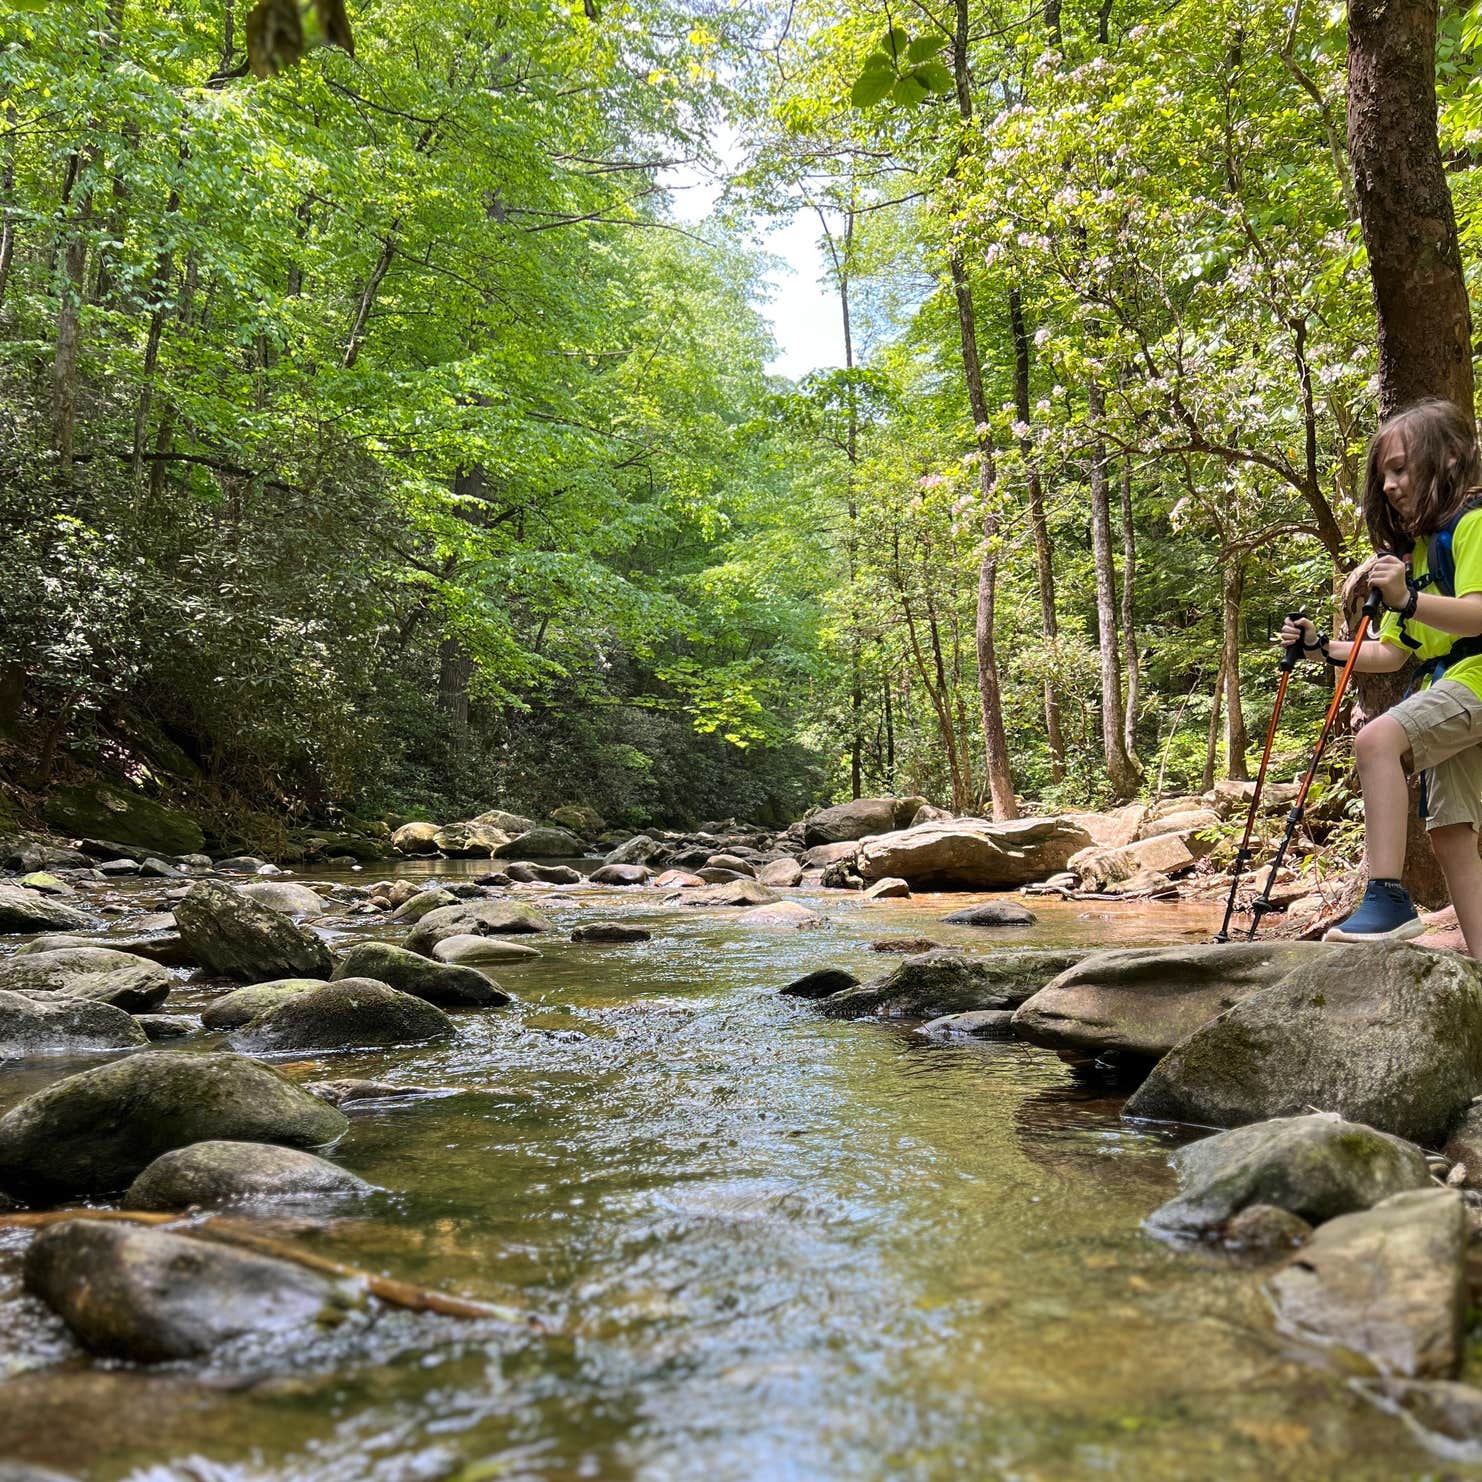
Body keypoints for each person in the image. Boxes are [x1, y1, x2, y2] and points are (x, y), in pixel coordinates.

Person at [1279, 397, 1482, 957]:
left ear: (1448, 459)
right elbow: (1390, 653)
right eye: (1384, 475)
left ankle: (1388, 899)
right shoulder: (1418, 553)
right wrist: (1321, 648)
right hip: (1455, 682)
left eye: (1400, 468)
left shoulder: (1475, 525)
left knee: (1376, 741)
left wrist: (1408, 599)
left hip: (1475, 678)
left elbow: (1477, 614)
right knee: (1450, 832)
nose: (1390, 485)